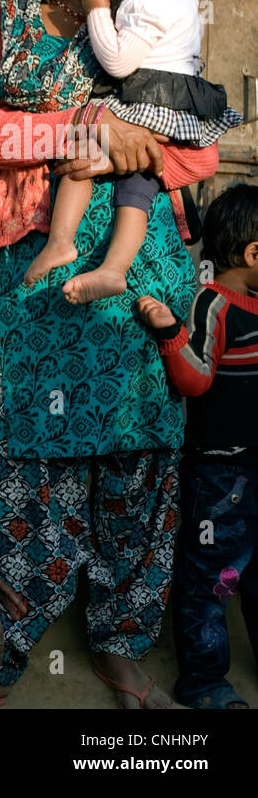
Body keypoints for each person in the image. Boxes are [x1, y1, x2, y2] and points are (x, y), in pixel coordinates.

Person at [0, 0, 220, 709]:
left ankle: (121, 645)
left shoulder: (153, 20)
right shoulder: (8, 16)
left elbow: (199, 151)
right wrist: (100, 130)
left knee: (136, 460)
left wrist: (142, 145)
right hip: (36, 263)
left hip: (140, 270)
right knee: (23, 460)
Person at [24, 0, 242, 302]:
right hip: (170, 103)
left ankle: (60, 240)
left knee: (81, 156)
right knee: (136, 189)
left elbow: (119, 62)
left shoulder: (149, 3)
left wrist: (97, 13)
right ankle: (113, 269)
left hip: (152, 99)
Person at [135, 184, 258, 709]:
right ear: (252, 255)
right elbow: (197, 380)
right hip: (221, 477)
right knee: (214, 578)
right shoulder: (213, 304)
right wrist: (168, 332)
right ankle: (205, 682)